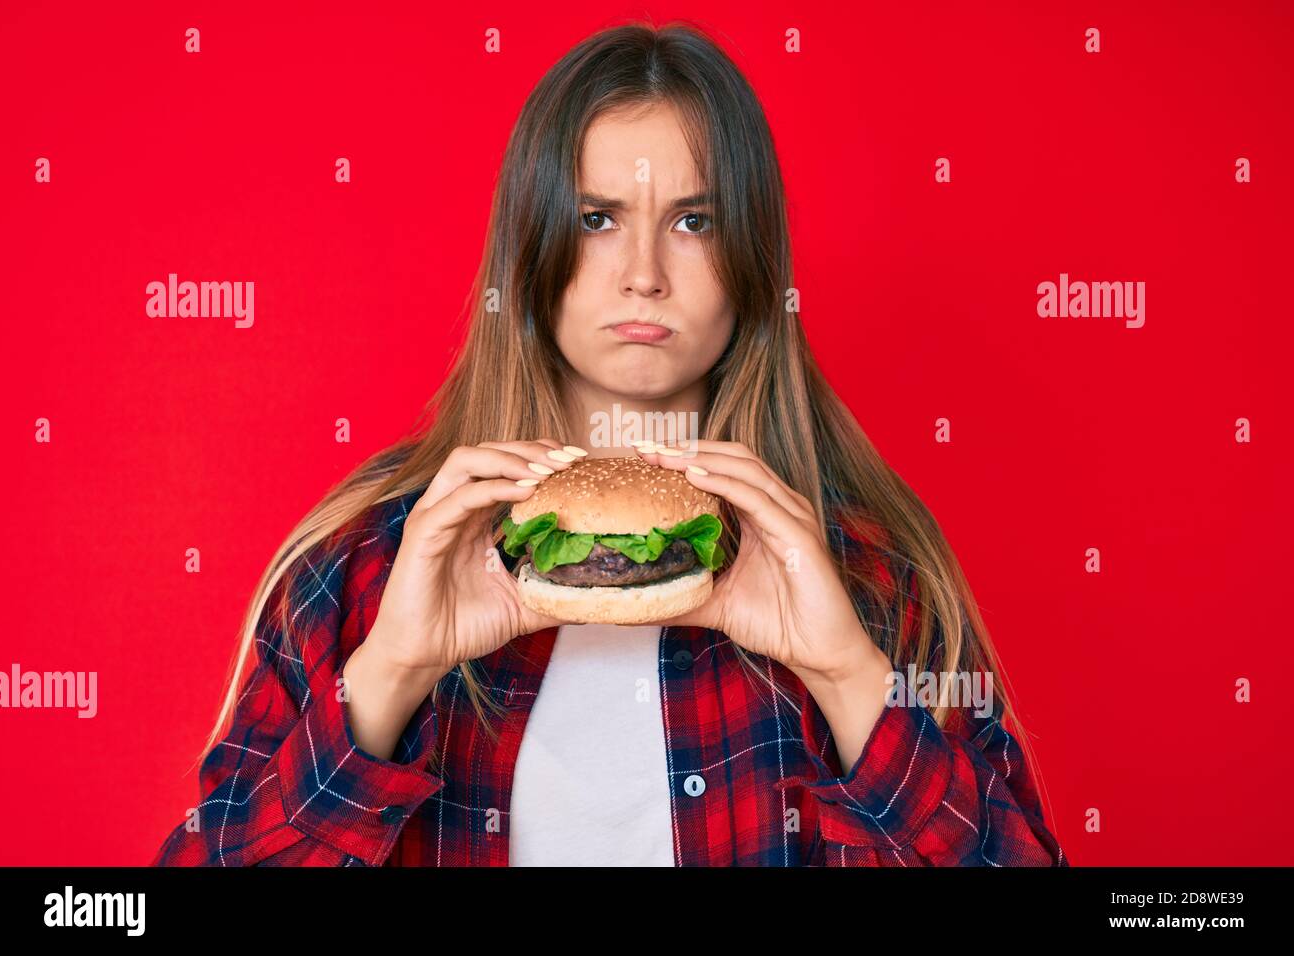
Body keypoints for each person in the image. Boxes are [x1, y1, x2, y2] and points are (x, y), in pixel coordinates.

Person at [153, 20, 1067, 867]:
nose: (642, 276)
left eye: (693, 222)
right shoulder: (364, 567)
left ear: (754, 260)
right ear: (531, 250)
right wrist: (390, 676)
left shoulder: (872, 580)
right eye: (597, 221)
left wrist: (848, 676)